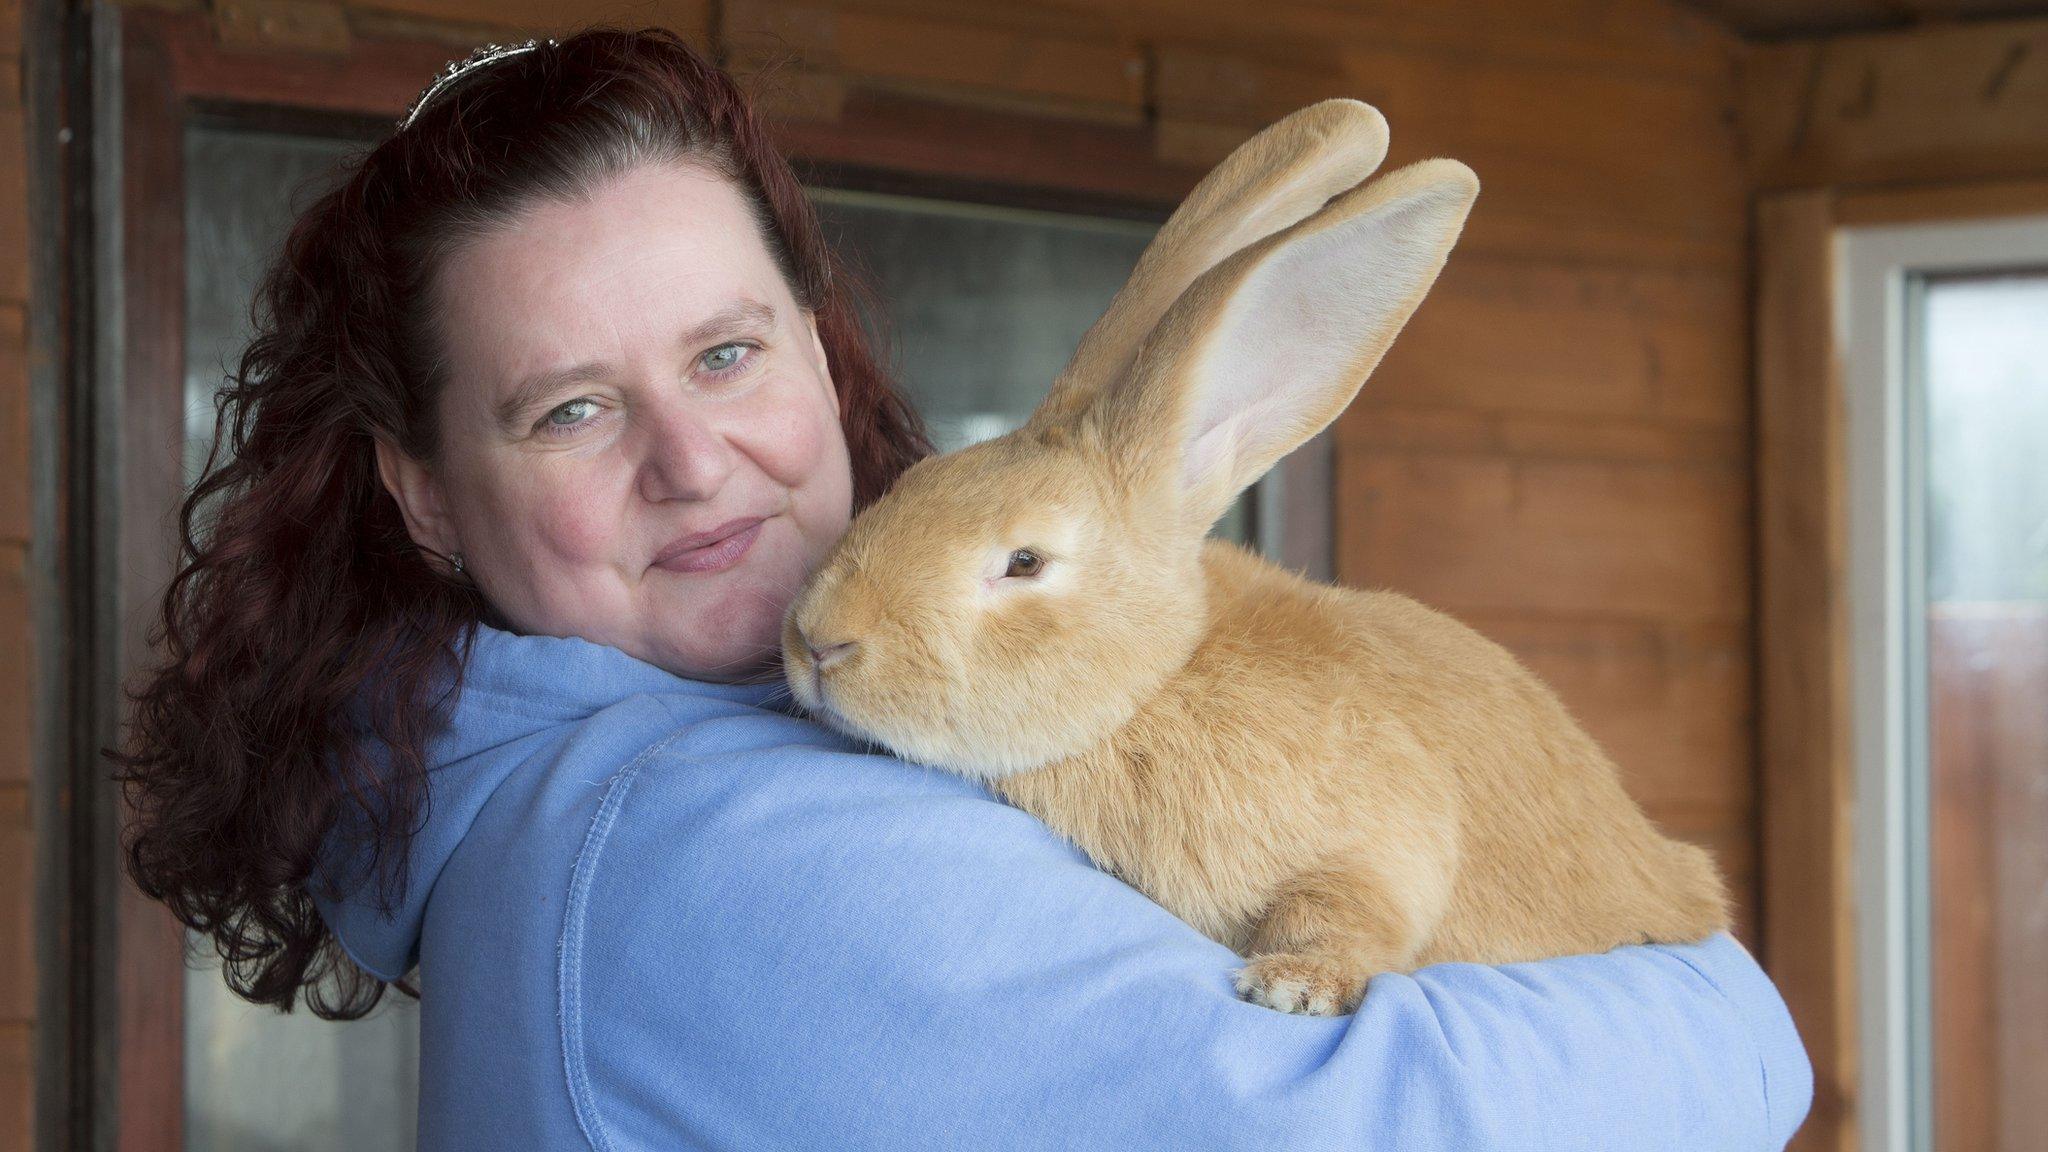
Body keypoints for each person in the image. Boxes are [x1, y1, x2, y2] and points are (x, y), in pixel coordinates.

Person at [117, 27, 1811, 1150]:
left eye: (727, 352)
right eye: (571, 409)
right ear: (421, 498)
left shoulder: (539, 798)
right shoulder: (703, 844)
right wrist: (1728, 1003)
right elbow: (1363, 1122)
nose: (695, 463)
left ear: (816, 344)